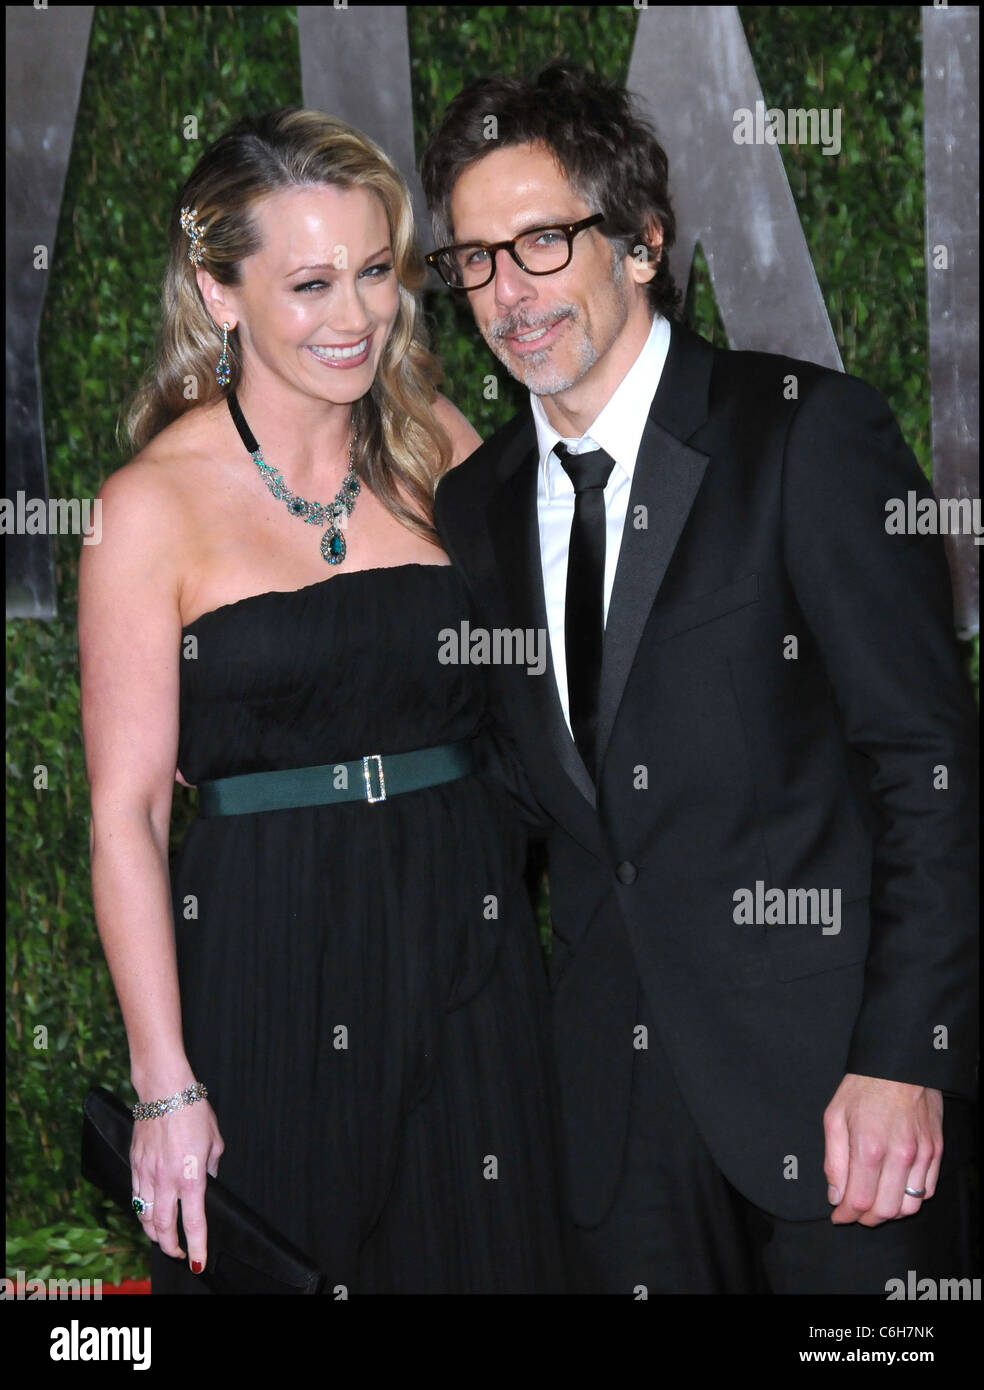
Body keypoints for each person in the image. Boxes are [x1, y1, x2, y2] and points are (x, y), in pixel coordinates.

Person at [420, 60, 979, 1295]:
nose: (508, 293)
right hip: (615, 1132)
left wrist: (908, 1061)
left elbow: (928, 770)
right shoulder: (477, 506)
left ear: (639, 239)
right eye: (474, 259)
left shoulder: (804, 434)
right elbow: (522, 801)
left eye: (542, 242)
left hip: (844, 1107)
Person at [79, 106, 569, 1295]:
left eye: (372, 273)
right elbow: (130, 813)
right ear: (219, 291)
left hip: (469, 941)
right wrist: (164, 1083)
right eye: (308, 283)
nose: (354, 319)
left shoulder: (442, 449)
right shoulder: (151, 506)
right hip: (265, 948)